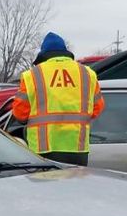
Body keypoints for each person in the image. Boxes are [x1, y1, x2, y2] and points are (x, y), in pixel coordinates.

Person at [11, 32, 104, 165]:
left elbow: (20, 113)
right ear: (65, 52)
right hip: (77, 148)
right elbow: (97, 108)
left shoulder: (32, 75)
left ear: (43, 56)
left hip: (43, 149)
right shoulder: (88, 74)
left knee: (47, 185)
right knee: (76, 185)